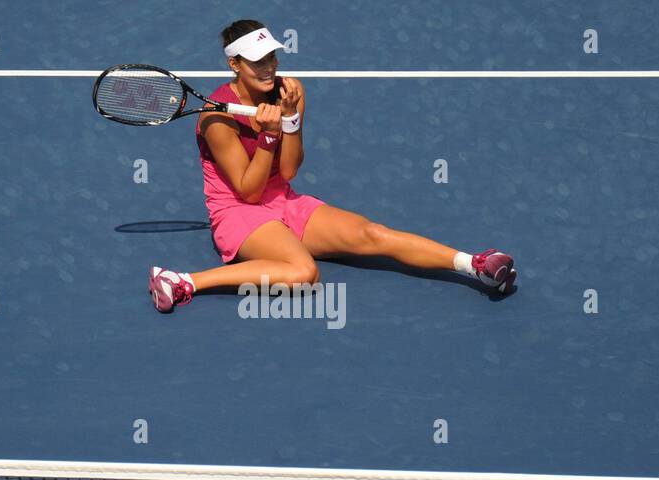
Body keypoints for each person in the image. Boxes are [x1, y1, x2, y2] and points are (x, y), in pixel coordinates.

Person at [148, 19, 515, 312]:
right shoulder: (215, 119)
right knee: (304, 273)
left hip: (283, 201)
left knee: (372, 234)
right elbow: (248, 190)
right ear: (234, 64)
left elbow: (289, 171)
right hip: (238, 213)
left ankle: (475, 266)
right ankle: (182, 281)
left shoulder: (291, 91)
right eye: (258, 62)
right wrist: (269, 136)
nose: (269, 68)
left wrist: (289, 118)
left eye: (272, 57)